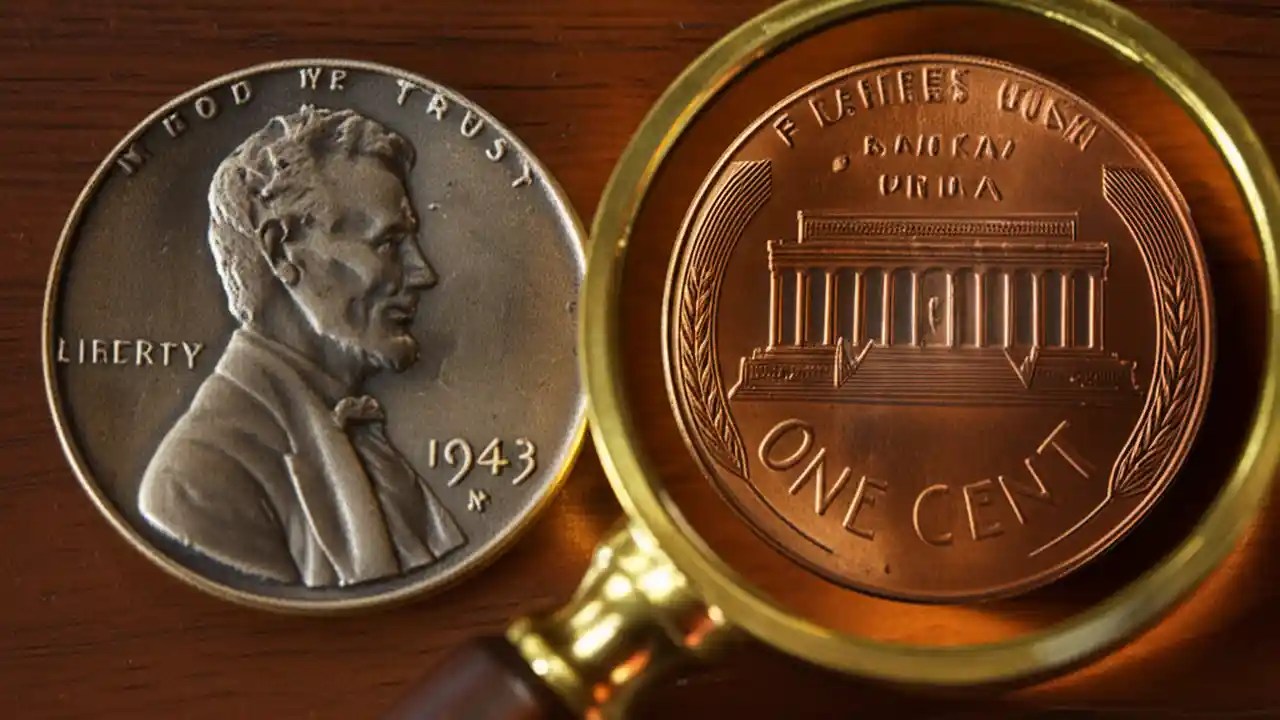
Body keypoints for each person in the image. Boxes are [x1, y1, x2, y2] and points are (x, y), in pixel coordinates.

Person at [139, 106, 465, 588]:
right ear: (281, 252)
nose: (423, 274)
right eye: (388, 243)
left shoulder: (359, 433)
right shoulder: (196, 483)